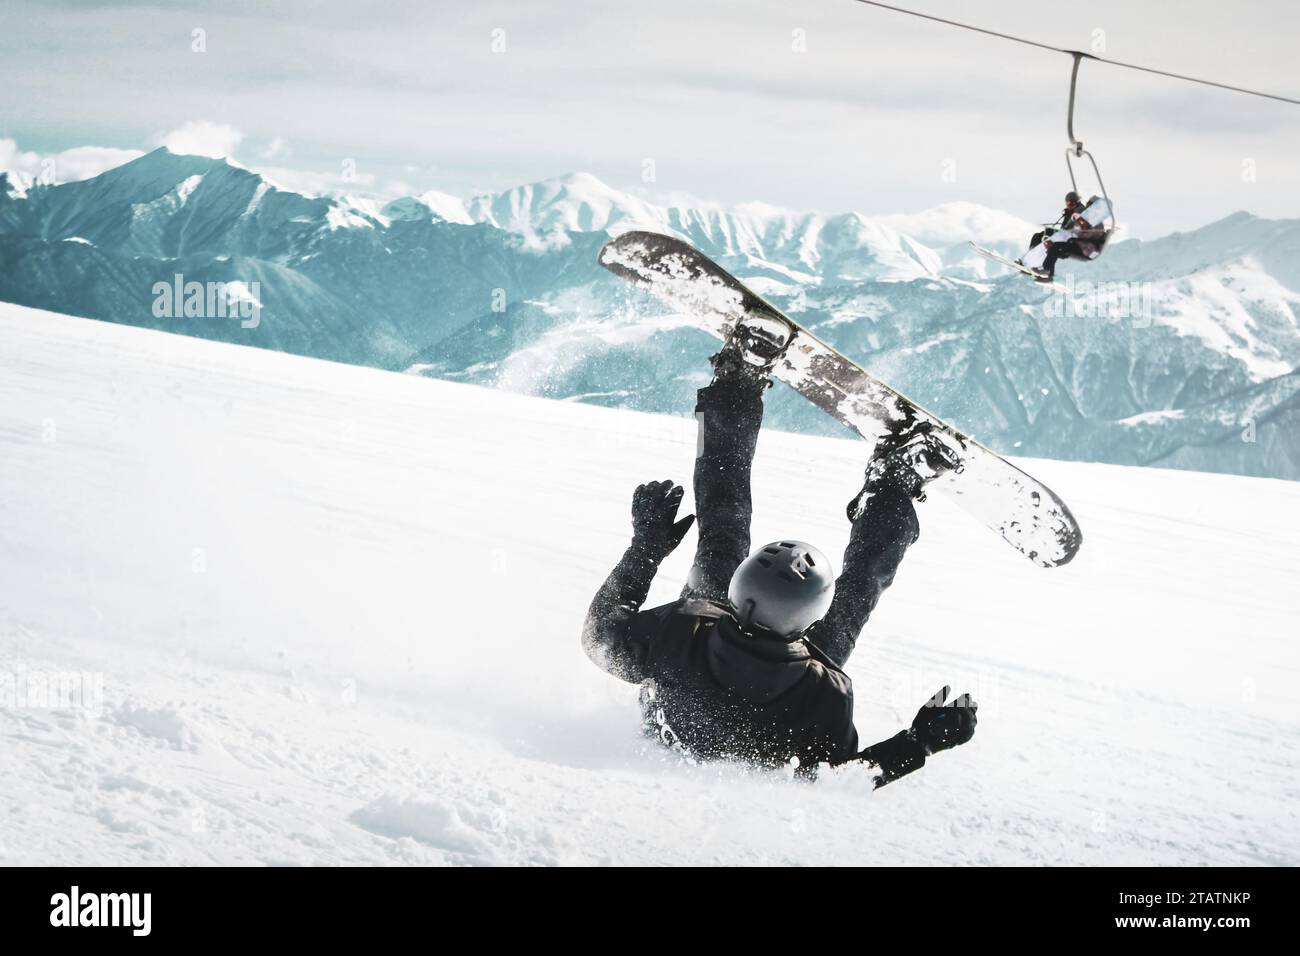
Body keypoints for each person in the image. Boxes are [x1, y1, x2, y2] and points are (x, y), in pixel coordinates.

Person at [581, 335, 978, 785]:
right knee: (730, 529)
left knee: (843, 586)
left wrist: (646, 547)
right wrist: (918, 744)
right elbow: (835, 779)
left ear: (736, 592)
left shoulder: (684, 627)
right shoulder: (819, 692)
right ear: (808, 622)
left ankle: (892, 480)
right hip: (755, 675)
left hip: (690, 687)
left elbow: (599, 638)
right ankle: (742, 386)